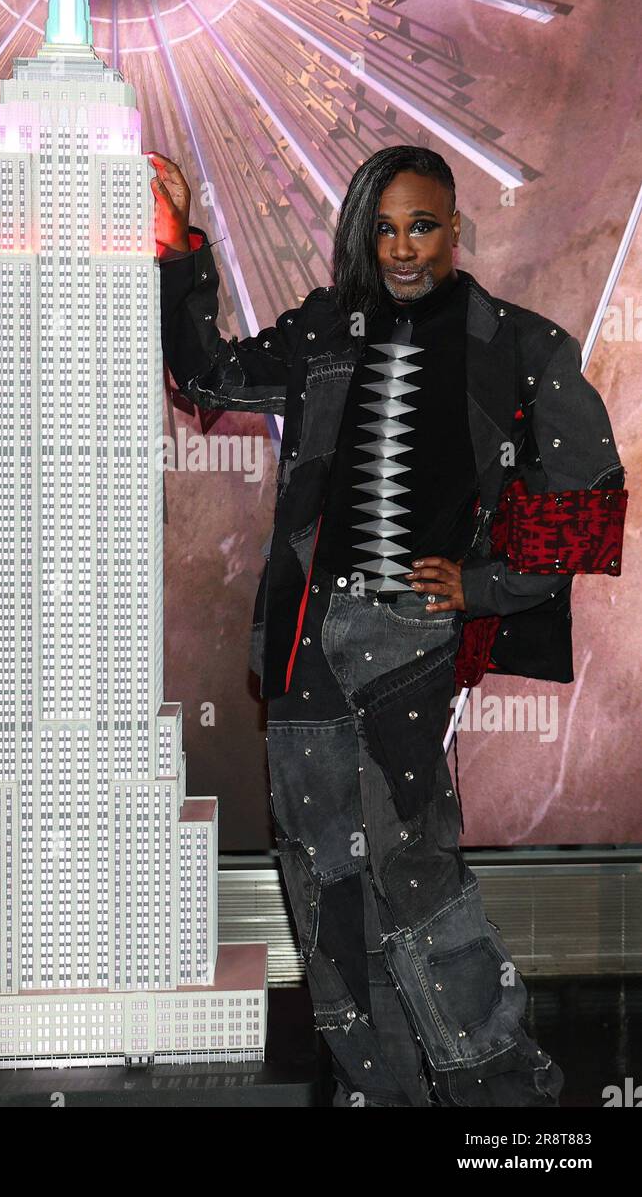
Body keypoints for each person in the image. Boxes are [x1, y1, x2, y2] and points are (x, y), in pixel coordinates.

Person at [150, 144, 626, 1107]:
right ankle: (382, 1092)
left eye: (423, 225)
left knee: (415, 873)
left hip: (406, 646)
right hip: (302, 647)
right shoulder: (331, 328)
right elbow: (206, 377)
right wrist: (178, 249)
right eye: (385, 228)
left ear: (455, 227)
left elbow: (587, 501)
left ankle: (499, 1098)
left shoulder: (522, 347)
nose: (405, 248)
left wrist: (484, 586)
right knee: (324, 887)